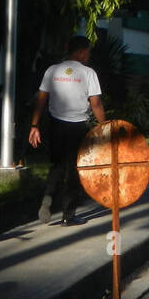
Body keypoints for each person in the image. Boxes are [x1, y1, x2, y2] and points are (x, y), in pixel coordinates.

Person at [29, 35, 106, 225]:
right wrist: (105, 126)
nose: (88, 55)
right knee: (73, 170)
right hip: (77, 127)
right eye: (87, 51)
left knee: (56, 165)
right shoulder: (88, 73)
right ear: (80, 52)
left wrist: (34, 126)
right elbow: (95, 104)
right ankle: (68, 215)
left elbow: (41, 100)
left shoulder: (52, 70)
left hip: (55, 125)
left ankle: (47, 199)